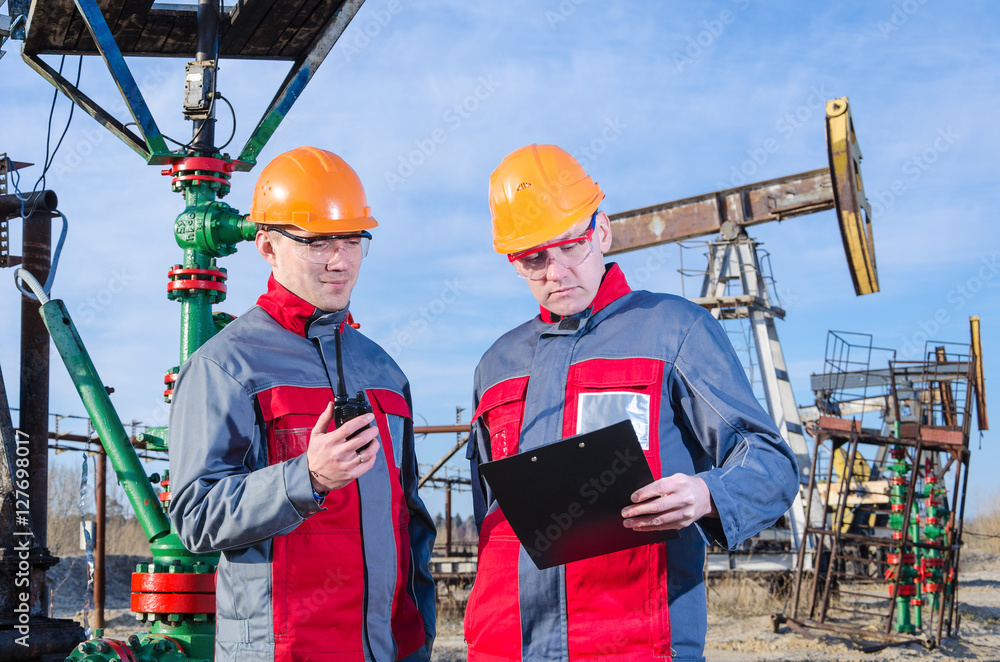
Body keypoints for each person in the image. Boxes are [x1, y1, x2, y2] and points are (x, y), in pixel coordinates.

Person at [464, 144, 798, 661]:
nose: (554, 272)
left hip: (635, 643)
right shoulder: (496, 365)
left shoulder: (675, 332)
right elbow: (490, 517)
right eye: (534, 259)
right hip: (507, 644)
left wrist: (706, 494)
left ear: (601, 231)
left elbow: (772, 463)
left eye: (569, 247)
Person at [169, 146, 436, 662]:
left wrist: (418, 633)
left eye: (353, 239)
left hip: (388, 650)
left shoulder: (384, 371)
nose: (340, 261)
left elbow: (410, 520)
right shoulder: (225, 367)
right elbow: (195, 517)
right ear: (267, 247)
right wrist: (305, 479)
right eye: (318, 243)